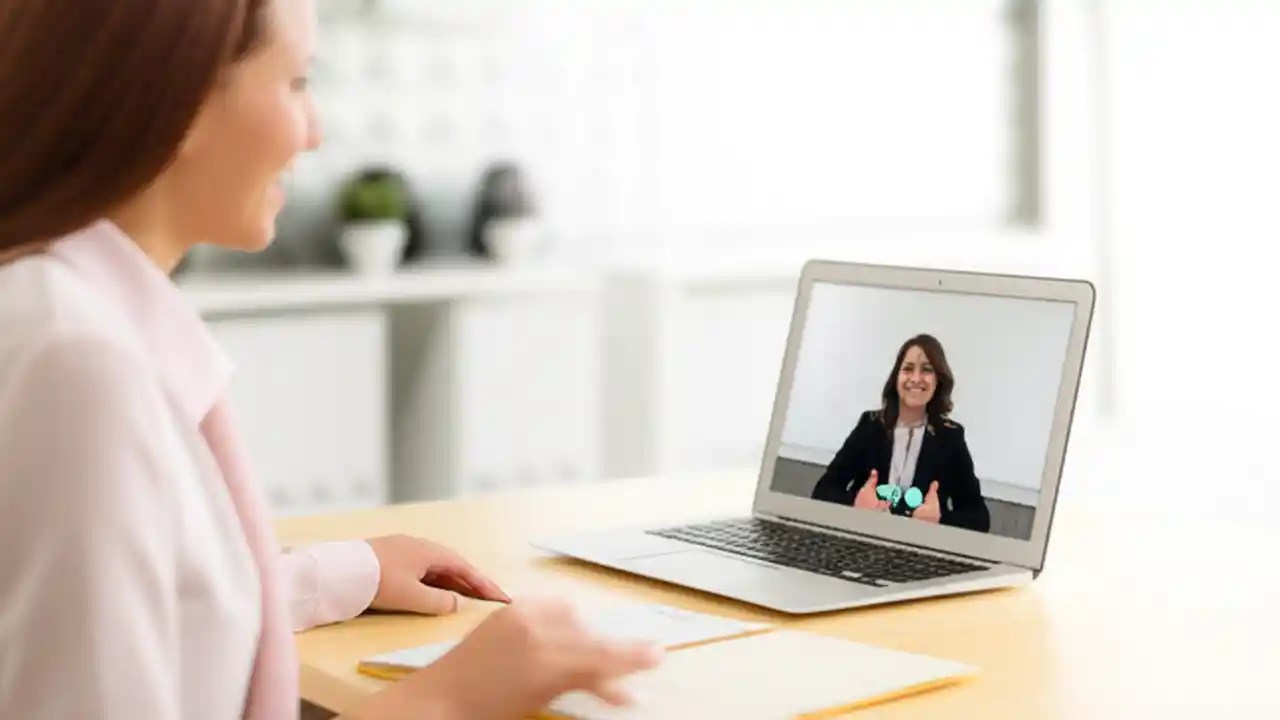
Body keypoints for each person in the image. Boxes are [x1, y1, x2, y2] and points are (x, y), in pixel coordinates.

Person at [0, 2, 660, 719]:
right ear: (180, 98)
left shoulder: (70, 314)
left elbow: (144, 604)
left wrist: (344, 573)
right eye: (296, 83)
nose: (313, 131)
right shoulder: (78, 364)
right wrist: (450, 699)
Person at [809, 334, 990, 532]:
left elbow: (979, 518)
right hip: (864, 537)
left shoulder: (951, 437)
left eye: (927, 370)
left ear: (938, 379)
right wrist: (856, 502)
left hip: (919, 546)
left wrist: (939, 519)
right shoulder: (870, 425)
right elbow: (822, 491)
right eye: (908, 368)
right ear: (896, 377)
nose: (915, 378)